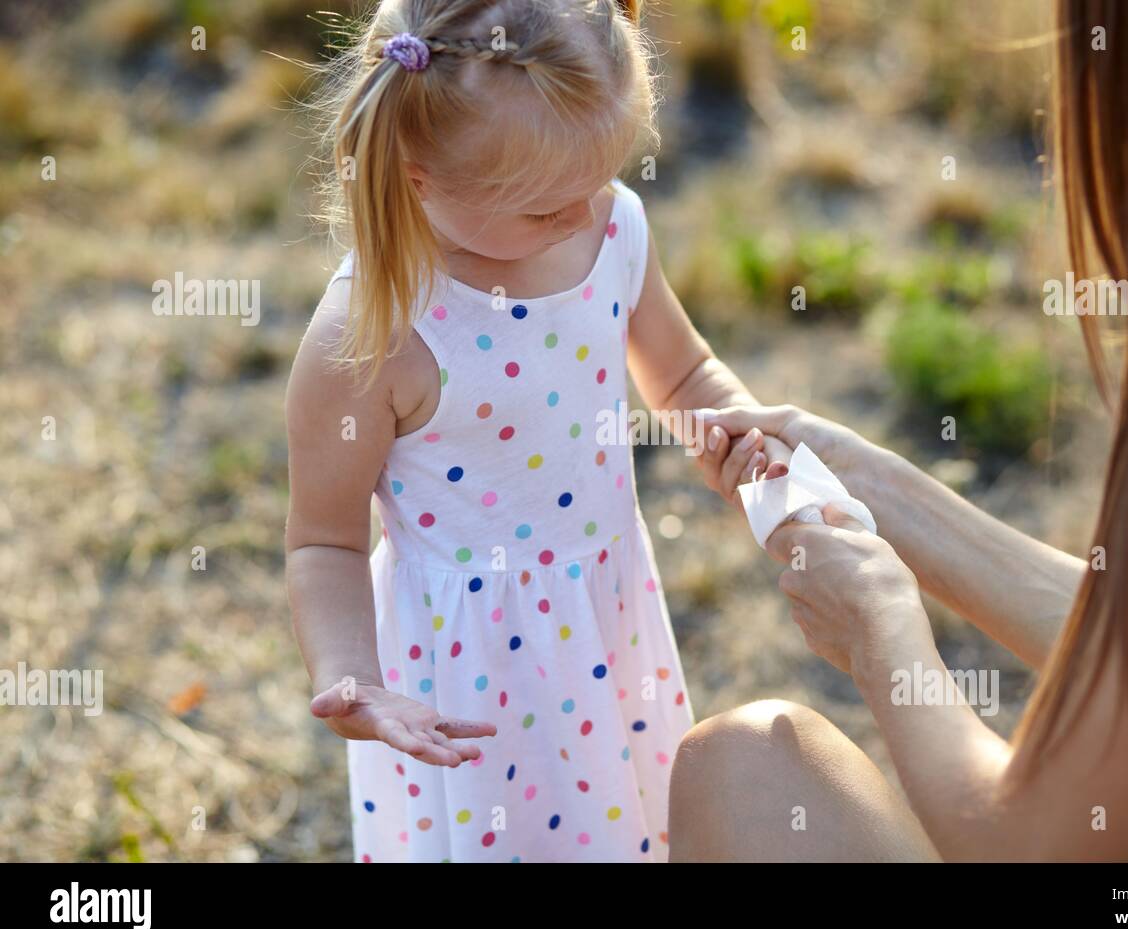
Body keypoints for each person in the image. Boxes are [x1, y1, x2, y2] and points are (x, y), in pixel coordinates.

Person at [671, 0, 1128, 862]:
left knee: (745, 774)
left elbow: (1040, 844)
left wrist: (880, 632)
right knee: (744, 763)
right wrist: (876, 486)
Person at [283, 0, 789, 862]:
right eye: (547, 207)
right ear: (416, 175)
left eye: (602, 178)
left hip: (607, 613)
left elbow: (684, 373)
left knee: (624, 821)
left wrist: (733, 432)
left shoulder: (610, 225)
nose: (586, 211)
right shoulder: (371, 337)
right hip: (467, 678)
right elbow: (323, 543)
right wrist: (357, 680)